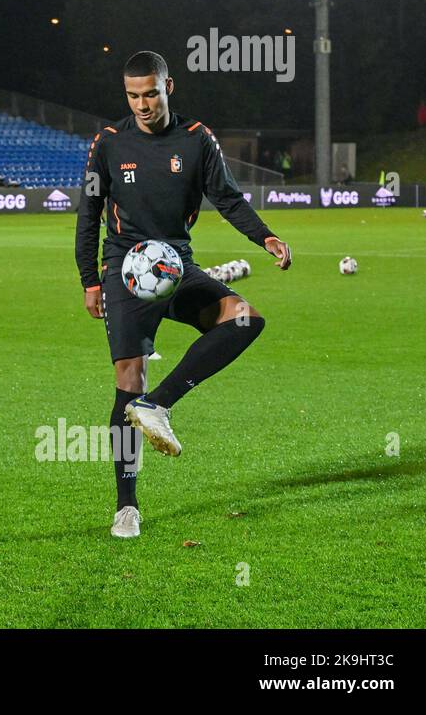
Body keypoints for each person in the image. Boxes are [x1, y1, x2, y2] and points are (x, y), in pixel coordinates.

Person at [74, 51, 292, 539]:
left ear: (170, 86)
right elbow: (88, 213)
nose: (143, 104)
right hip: (126, 270)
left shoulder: (197, 140)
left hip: (176, 264)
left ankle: (161, 403)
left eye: (151, 93)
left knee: (244, 318)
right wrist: (90, 279)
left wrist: (265, 237)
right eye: (133, 96)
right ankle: (126, 506)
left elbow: (228, 197)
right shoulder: (108, 143)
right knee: (129, 380)